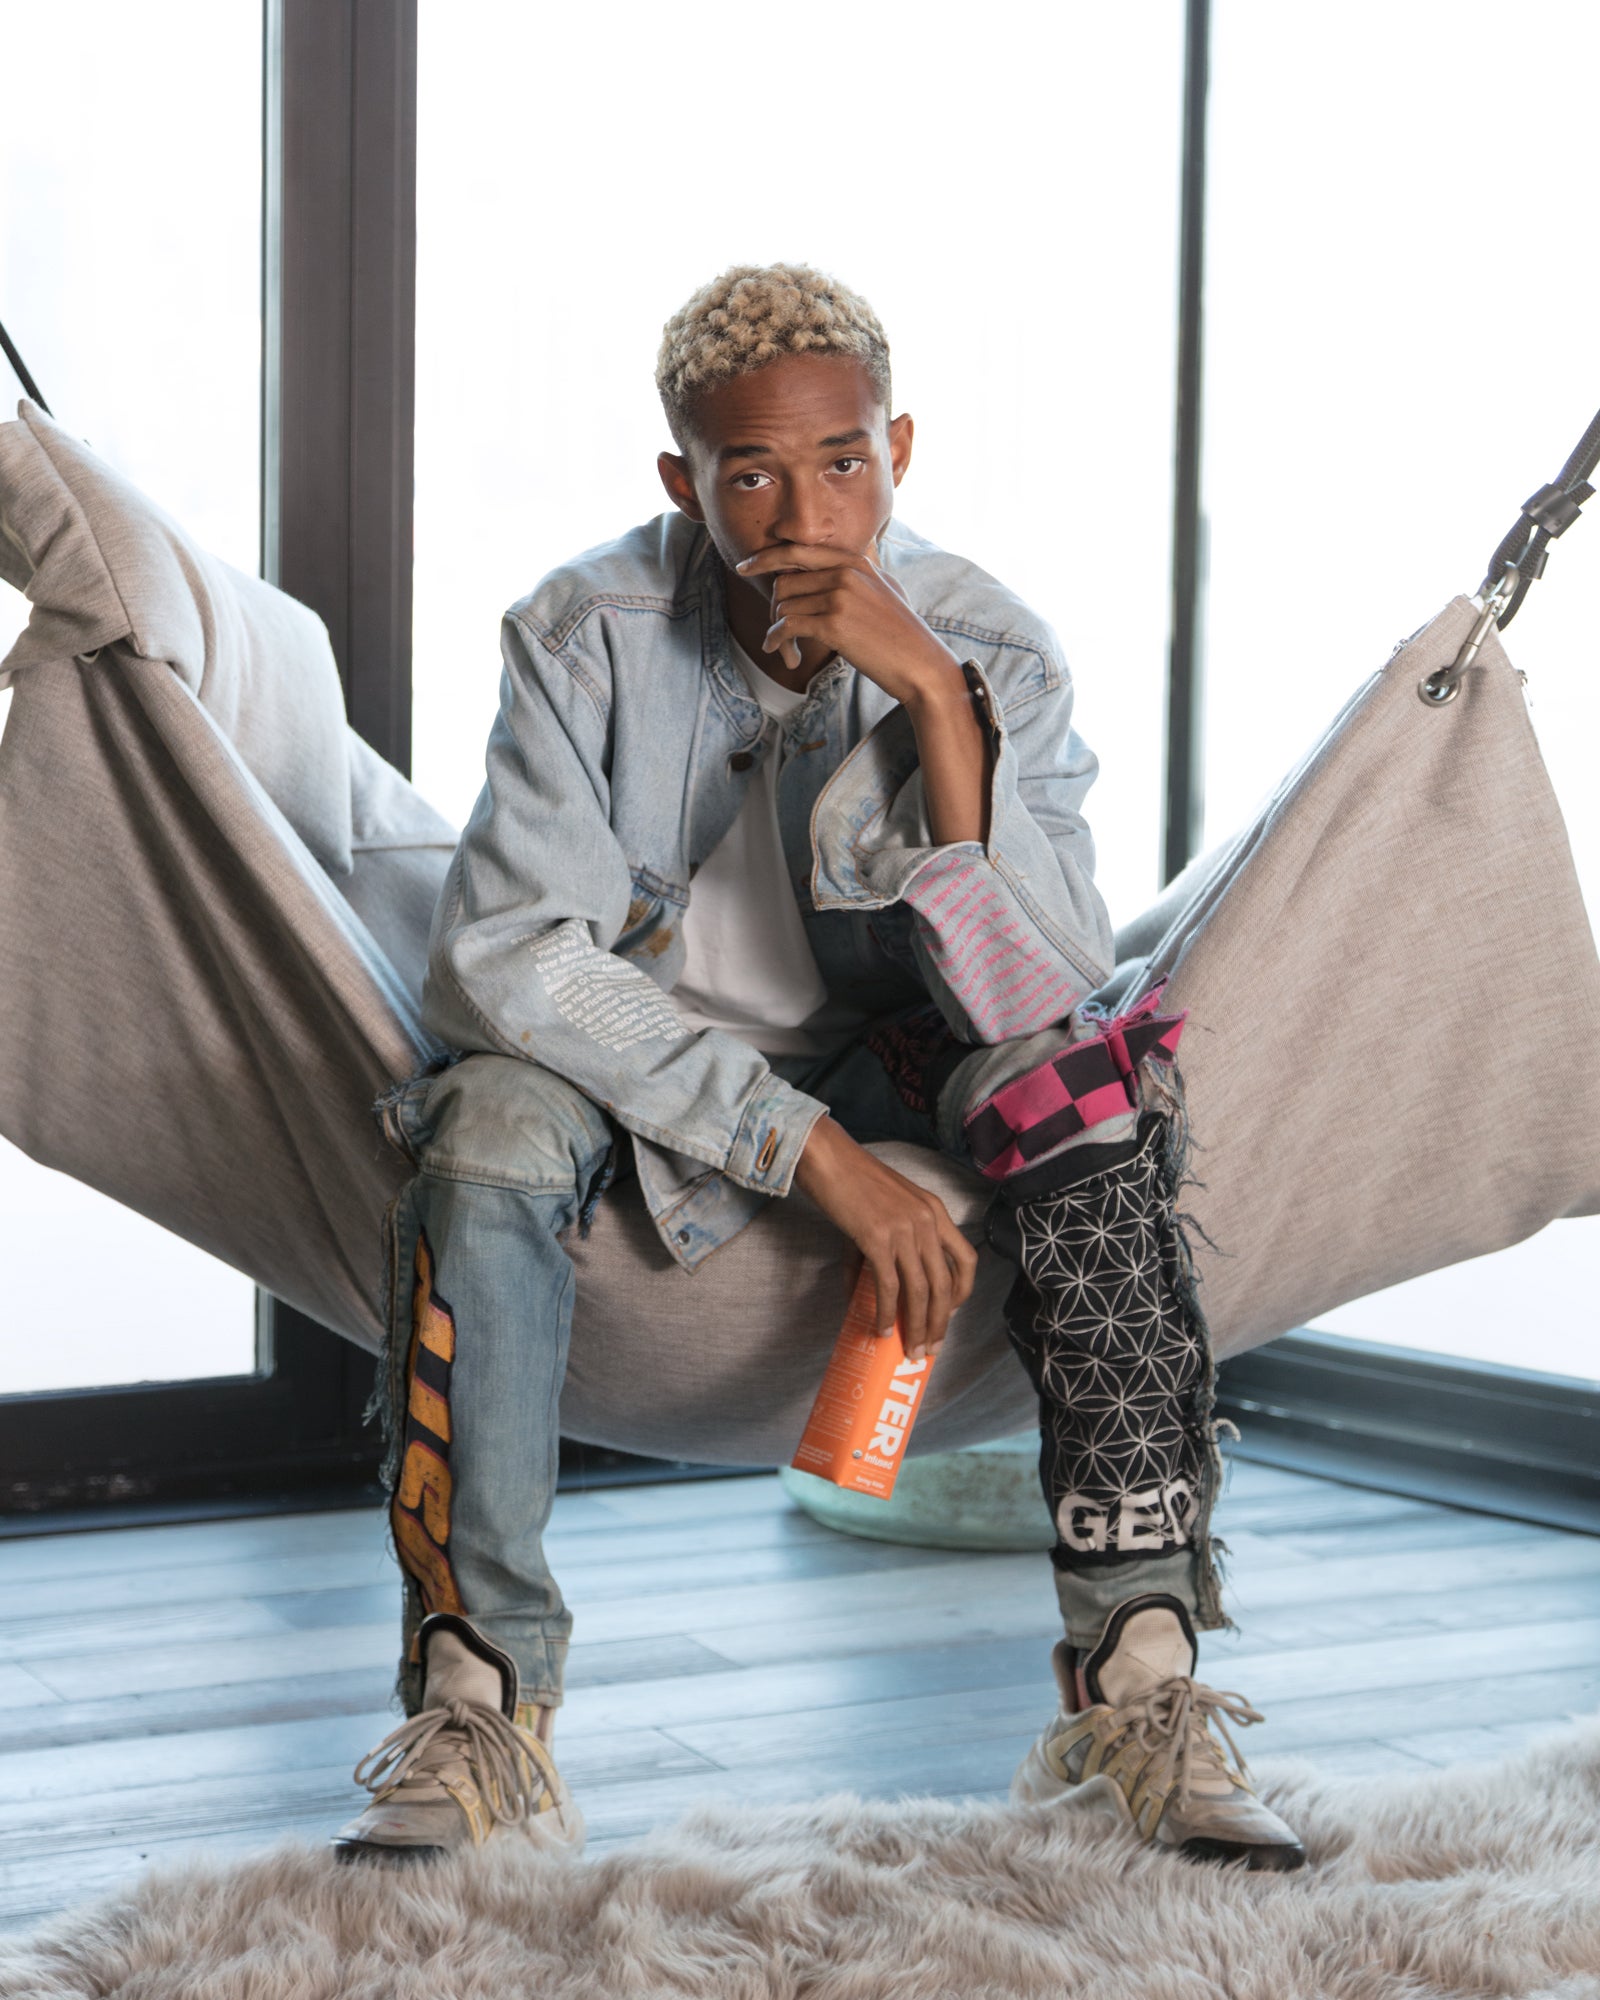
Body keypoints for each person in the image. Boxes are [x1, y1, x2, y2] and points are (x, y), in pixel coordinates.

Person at [331, 264, 1305, 1872]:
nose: (804, 514)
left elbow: (1043, 994)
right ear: (683, 480)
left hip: (904, 1051)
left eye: (844, 461)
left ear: (899, 447)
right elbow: (510, 958)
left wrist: (937, 708)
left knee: (1084, 1101)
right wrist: (816, 1159)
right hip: (640, 1070)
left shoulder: (992, 644)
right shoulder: (582, 633)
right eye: (751, 475)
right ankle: (482, 1698)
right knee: (482, 1122)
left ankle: (1138, 1678)